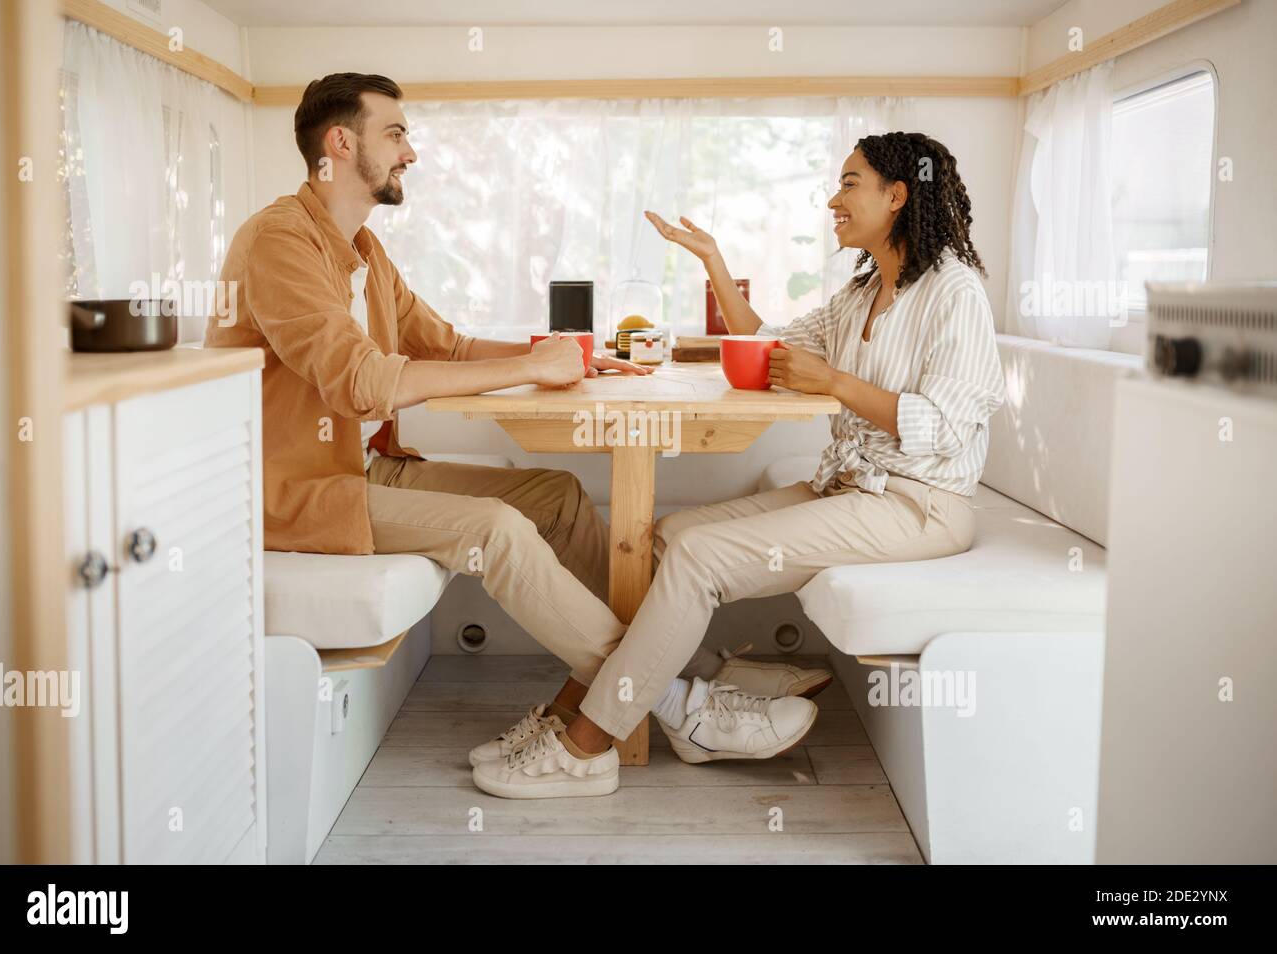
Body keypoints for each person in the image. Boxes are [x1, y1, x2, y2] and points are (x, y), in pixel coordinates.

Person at [204, 73, 830, 798]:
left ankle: (676, 669)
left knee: (557, 496)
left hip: (369, 469)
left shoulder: (366, 253)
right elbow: (363, 383)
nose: (413, 151)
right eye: (397, 133)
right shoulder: (279, 242)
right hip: (300, 493)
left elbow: (450, 345)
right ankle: (678, 703)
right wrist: (533, 364)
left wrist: (575, 353)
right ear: (340, 144)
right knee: (497, 528)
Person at [470, 131, 1006, 799]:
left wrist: (835, 383)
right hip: (847, 488)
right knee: (667, 538)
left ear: (897, 196)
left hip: (918, 504)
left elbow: (948, 427)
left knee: (698, 559)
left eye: (849, 183)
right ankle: (672, 702)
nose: (833, 199)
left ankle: (584, 744)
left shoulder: (956, 293)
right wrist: (713, 261)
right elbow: (765, 342)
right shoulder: (860, 294)